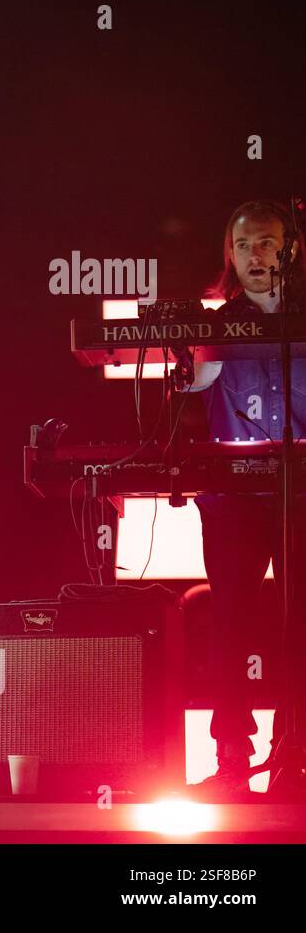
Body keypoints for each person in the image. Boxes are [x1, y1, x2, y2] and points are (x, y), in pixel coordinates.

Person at [182, 199, 306, 799]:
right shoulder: (215, 323)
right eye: (243, 246)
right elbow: (192, 380)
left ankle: (294, 757)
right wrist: (188, 348)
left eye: (265, 243)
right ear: (229, 257)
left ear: (289, 249)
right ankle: (231, 759)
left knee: (300, 622)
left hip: (301, 489)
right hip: (234, 494)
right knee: (230, 623)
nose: (255, 256)